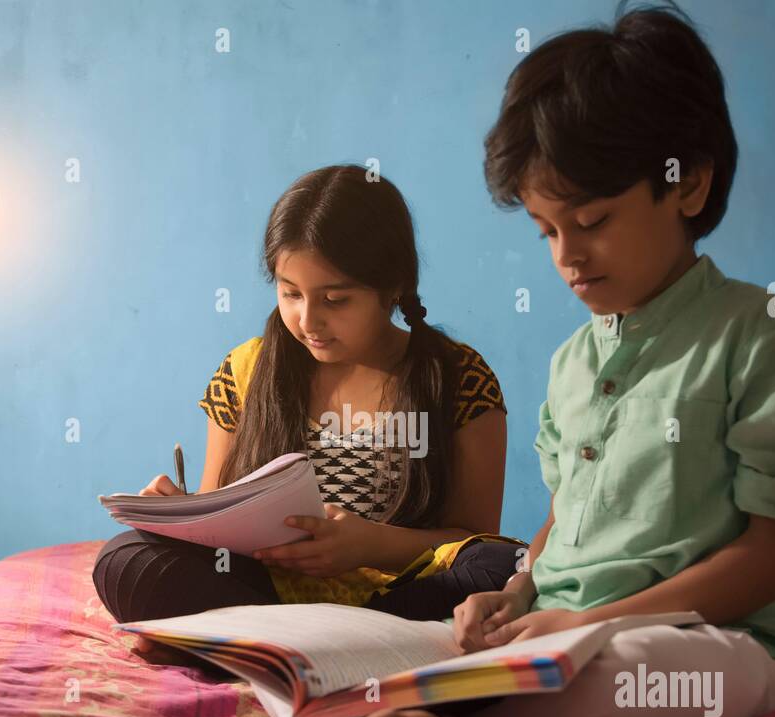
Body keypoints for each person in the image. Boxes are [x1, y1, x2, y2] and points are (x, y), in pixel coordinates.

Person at [264, 5, 775, 717]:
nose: (568, 256)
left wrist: (592, 621)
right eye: (546, 231)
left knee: (677, 684)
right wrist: (518, 589)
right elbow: (563, 516)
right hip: (548, 633)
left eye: (592, 220)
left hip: (700, 641)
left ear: (690, 184)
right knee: (311, 662)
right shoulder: (573, 359)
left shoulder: (761, 336)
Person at [94, 165, 524, 661]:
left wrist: (369, 544)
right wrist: (177, 516)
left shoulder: (458, 377)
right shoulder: (245, 370)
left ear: (393, 287)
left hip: (395, 598)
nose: (308, 320)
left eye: (335, 299)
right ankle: (308, 648)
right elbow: (215, 518)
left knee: (502, 564)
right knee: (124, 561)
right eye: (290, 293)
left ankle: (244, 646)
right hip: (266, 591)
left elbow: (472, 540)